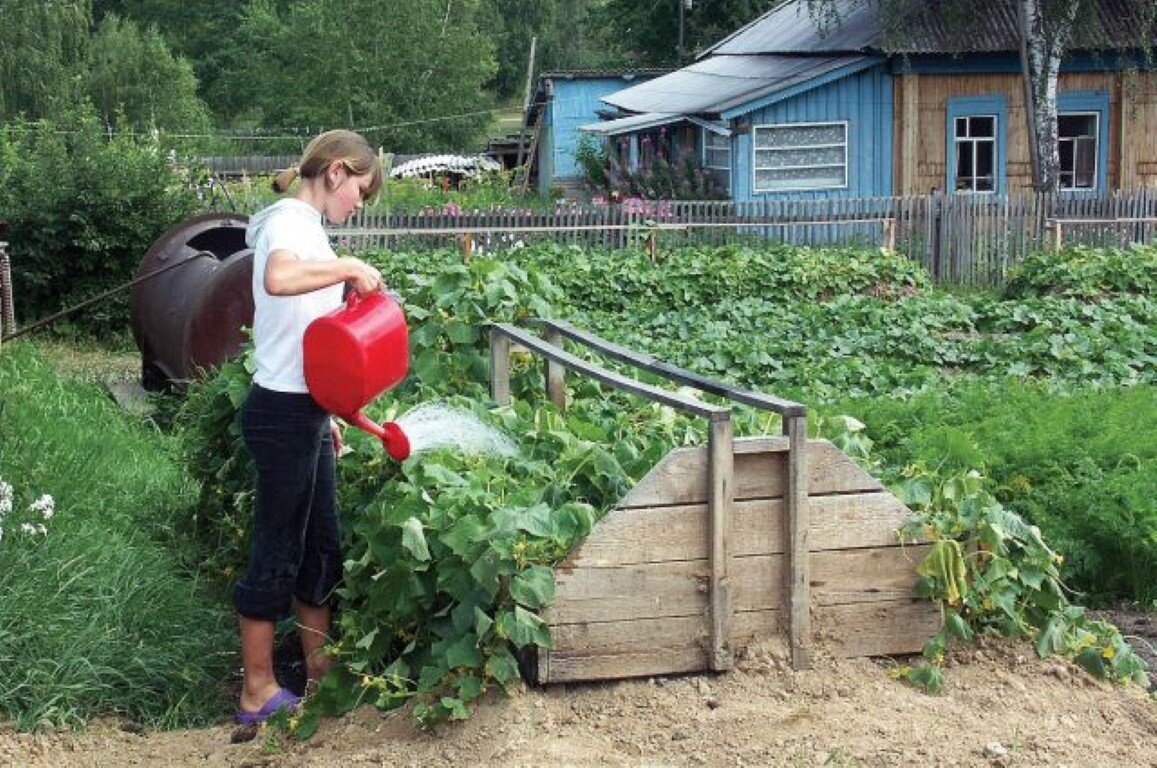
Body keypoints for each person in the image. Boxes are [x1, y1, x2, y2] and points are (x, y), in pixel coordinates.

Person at [233, 129, 384, 724]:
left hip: (306, 412)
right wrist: (345, 265)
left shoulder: (311, 228)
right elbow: (277, 278)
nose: (358, 205)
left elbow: (311, 340)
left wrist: (331, 410)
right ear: (338, 172)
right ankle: (257, 690)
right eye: (361, 192)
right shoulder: (289, 223)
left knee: (321, 546)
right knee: (277, 549)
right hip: (280, 414)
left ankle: (319, 678)